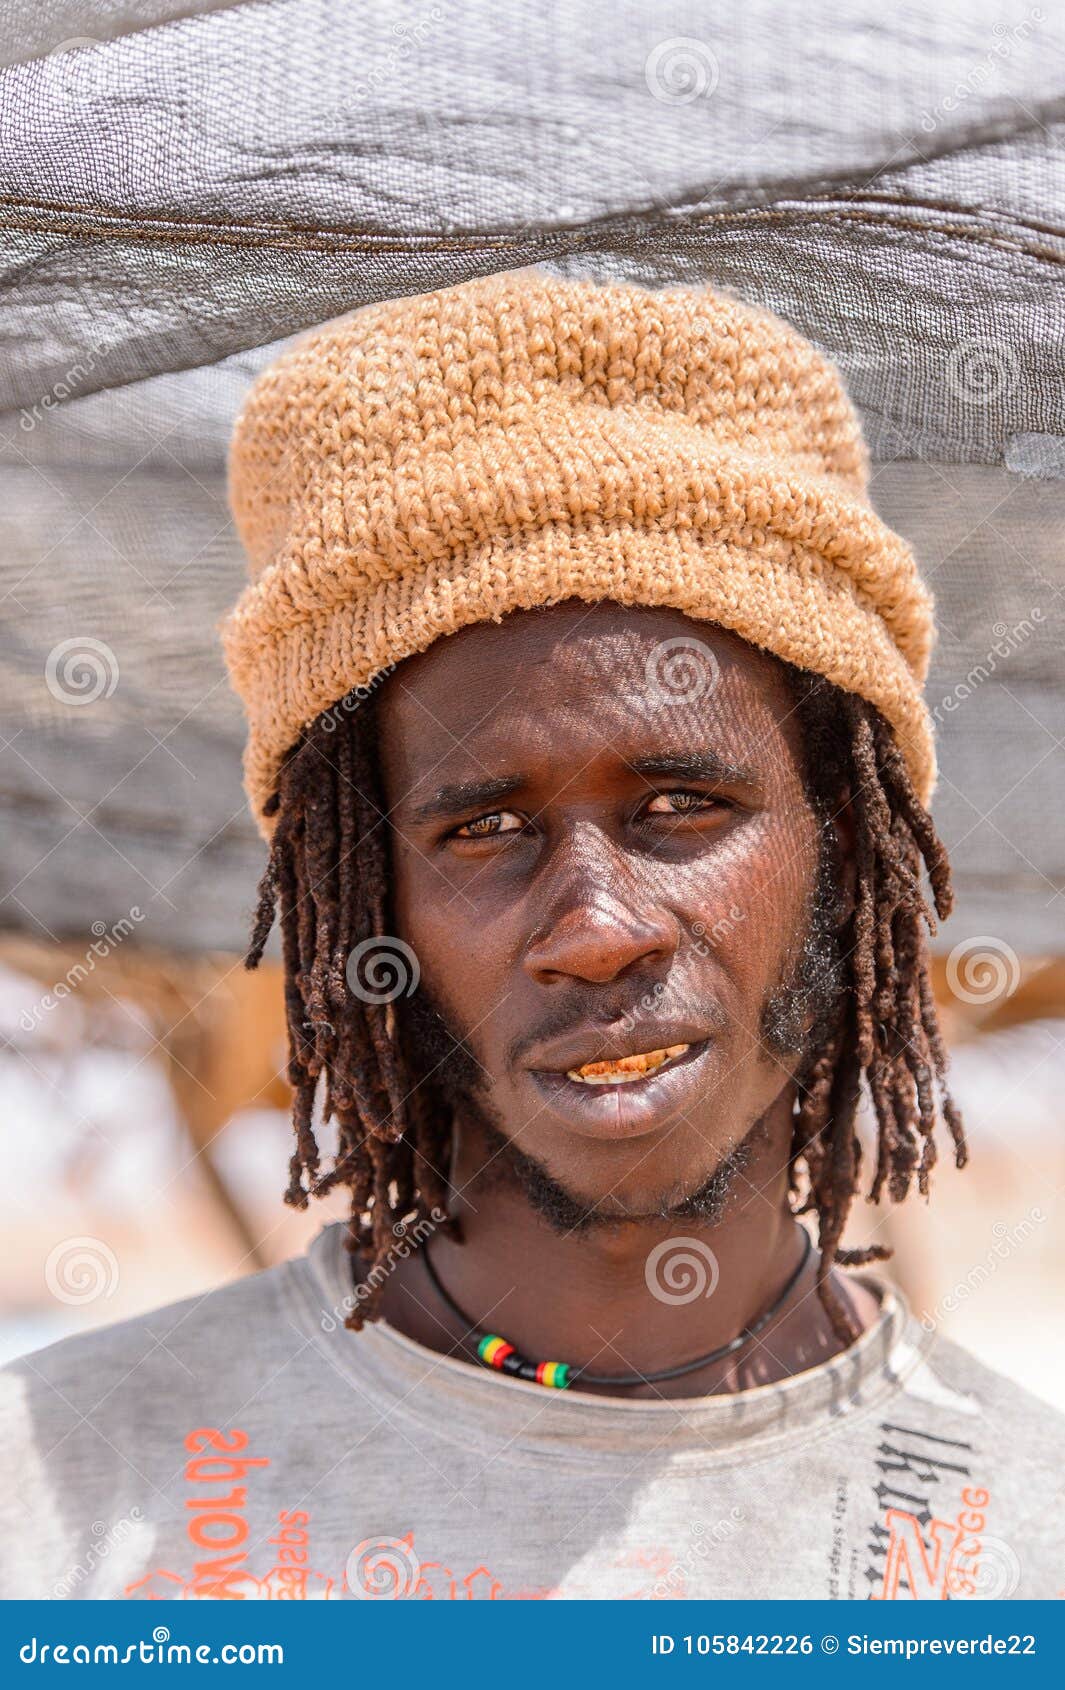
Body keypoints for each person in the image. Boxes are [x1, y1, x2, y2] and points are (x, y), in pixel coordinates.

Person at [2, 273, 1062, 1602]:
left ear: (839, 851)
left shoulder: (1019, 1567)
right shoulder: (59, 1519)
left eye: (684, 805)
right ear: (361, 904)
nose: (596, 930)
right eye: (484, 829)